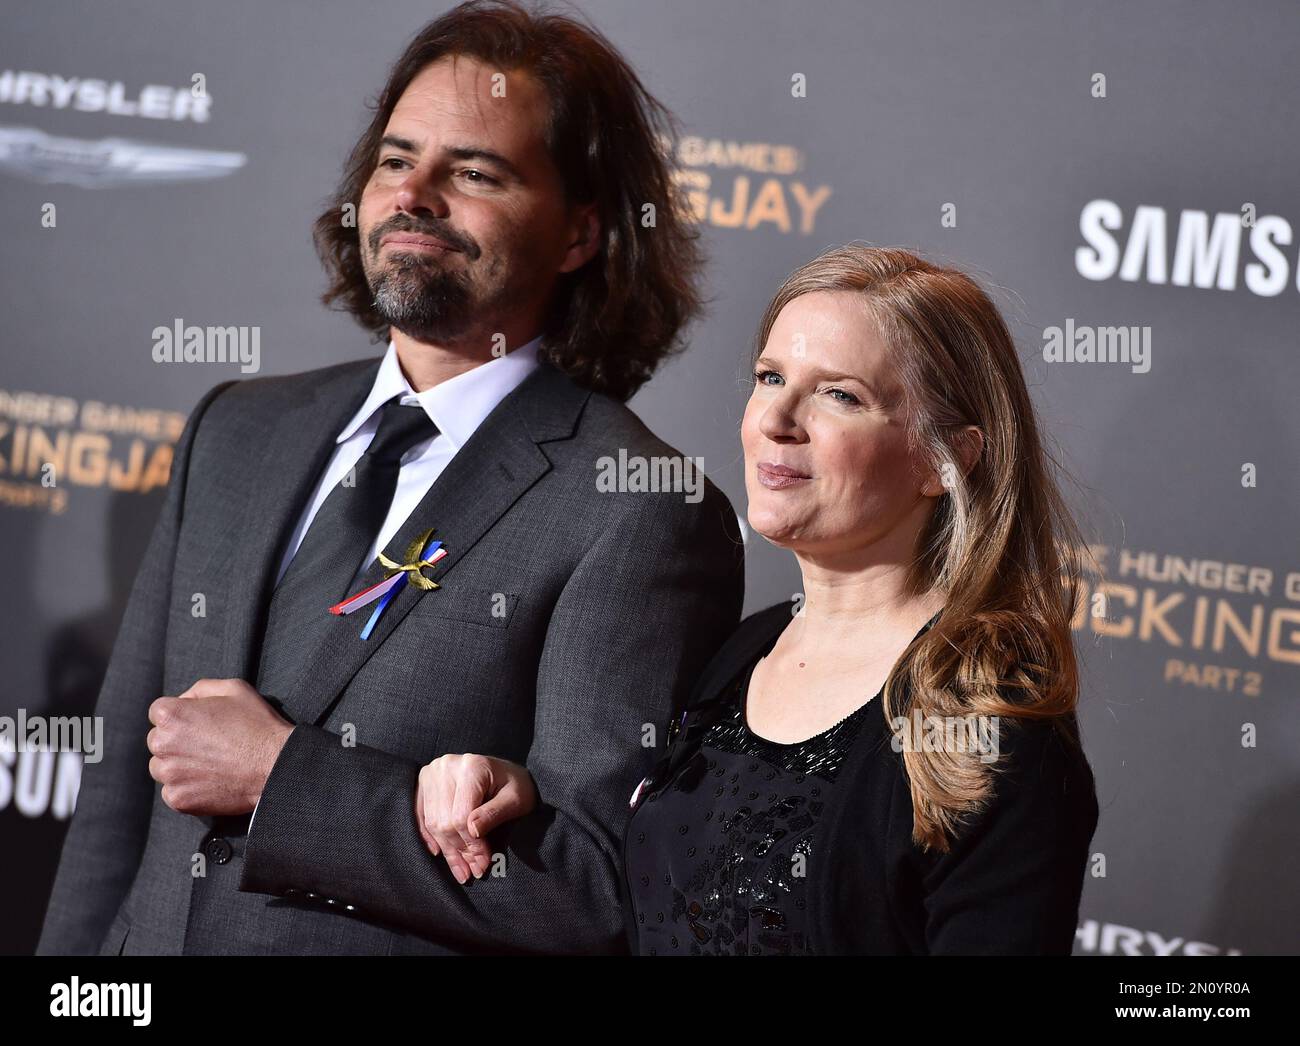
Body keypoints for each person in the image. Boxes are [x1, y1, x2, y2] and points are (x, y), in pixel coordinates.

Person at [36, 0, 744, 956]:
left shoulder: (634, 508)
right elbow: (119, 795)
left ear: (580, 233)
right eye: (395, 160)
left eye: (476, 172)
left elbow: (590, 889)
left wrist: (285, 781)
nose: (415, 194)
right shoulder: (235, 430)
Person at [416, 244, 1100, 955]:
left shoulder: (989, 728)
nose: (777, 418)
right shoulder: (743, 652)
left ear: (944, 458)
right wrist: (515, 796)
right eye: (770, 377)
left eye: (840, 394)